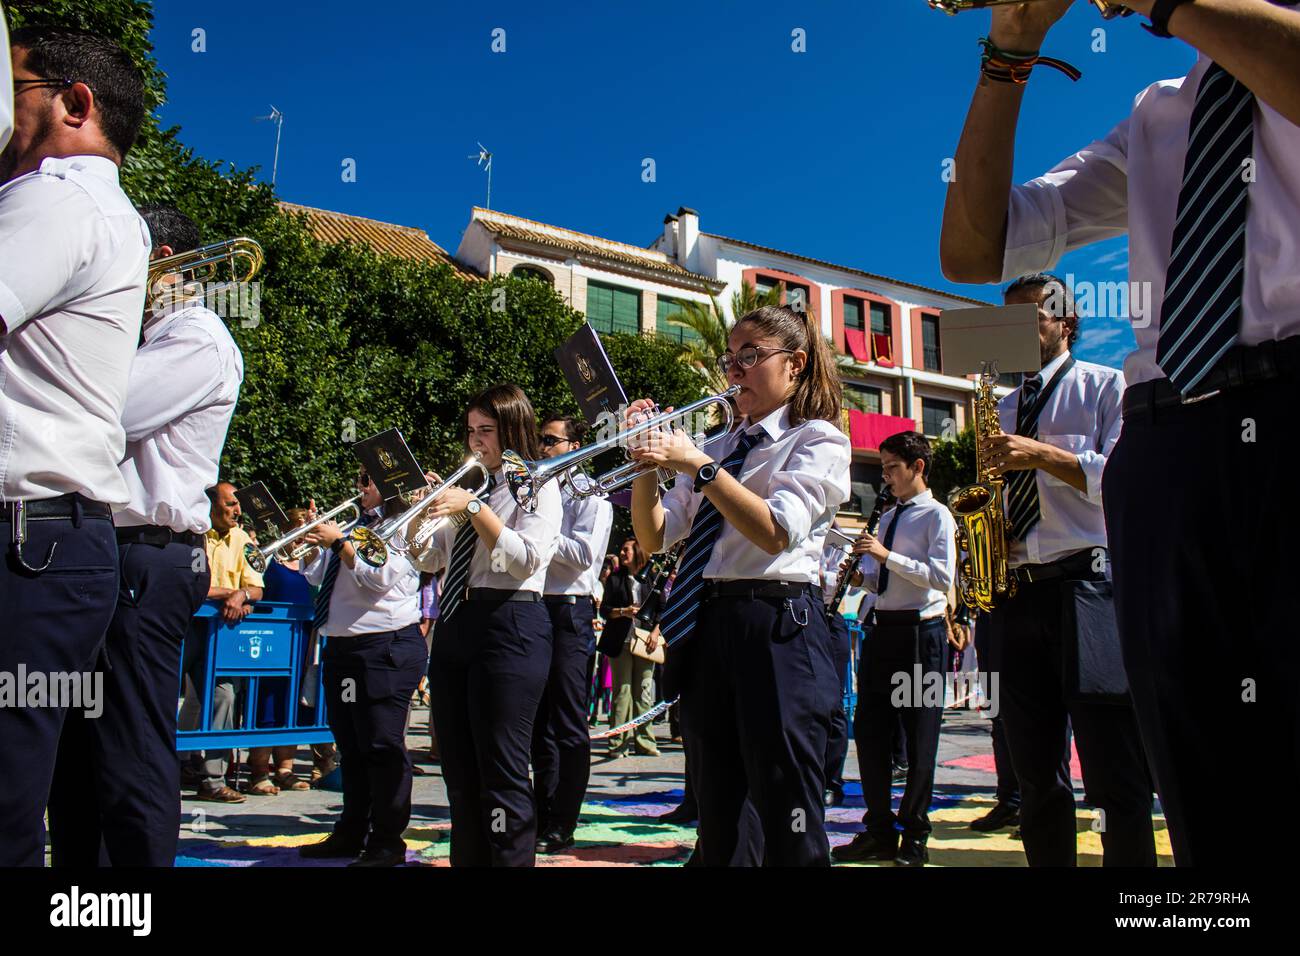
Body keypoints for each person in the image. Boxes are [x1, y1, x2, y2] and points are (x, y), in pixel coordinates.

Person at [938, 0, 1300, 866]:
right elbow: (973, 252)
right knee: (1204, 786)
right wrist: (1011, 46)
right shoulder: (1156, 114)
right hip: (1173, 446)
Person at [46, 204, 243, 866]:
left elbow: (107, 415)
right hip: (114, 551)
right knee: (79, 751)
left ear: (159, 258)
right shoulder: (151, 338)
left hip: (148, 557)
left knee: (129, 744)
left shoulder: (198, 337)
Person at [628, 303, 850, 867]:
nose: (734, 371)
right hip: (710, 622)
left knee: (786, 803)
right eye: (730, 359)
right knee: (719, 806)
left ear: (794, 364)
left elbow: (776, 530)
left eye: (750, 356)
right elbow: (655, 537)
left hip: (778, 622)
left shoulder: (818, 438)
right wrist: (647, 465)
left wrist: (699, 466)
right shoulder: (719, 445)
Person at [0, 25, 148, 866]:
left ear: (73, 103)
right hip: (59, 540)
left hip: (32, 538)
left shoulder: (57, 196)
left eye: (10, 88)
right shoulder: (89, 209)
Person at [977, 273, 1156, 866]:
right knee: (1035, 774)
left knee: (1113, 770)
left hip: (1088, 586)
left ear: (1065, 324)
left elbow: (1125, 477)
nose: (1018, 333)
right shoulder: (997, 404)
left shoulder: (1107, 386)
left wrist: (1042, 455)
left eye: (1031, 318)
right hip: (1015, 593)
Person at [409, 383, 561, 866]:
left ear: (513, 429)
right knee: (459, 766)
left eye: (487, 431)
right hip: (458, 620)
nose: (476, 442)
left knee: (502, 766)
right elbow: (431, 559)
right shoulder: (472, 486)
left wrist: (474, 510)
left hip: (511, 620)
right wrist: (417, 517)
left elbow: (525, 559)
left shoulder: (538, 483)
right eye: (471, 431)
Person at [832, 432, 956, 867]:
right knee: (869, 734)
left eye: (891, 468)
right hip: (881, 631)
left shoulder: (937, 516)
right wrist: (858, 574)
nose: (884, 477)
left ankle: (916, 834)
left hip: (921, 637)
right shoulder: (886, 516)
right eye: (882, 468)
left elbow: (941, 578)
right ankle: (879, 829)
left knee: (920, 737)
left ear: (917, 467)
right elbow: (877, 578)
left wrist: (886, 556)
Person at [297, 469, 424, 866]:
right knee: (350, 746)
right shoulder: (357, 524)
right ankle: (351, 831)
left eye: (368, 481)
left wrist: (339, 545)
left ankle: (387, 842)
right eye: (358, 480)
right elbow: (315, 575)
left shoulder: (404, 524)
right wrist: (315, 543)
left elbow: (378, 578)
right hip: (344, 645)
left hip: (384, 646)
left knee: (382, 746)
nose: (360, 488)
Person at [533, 413, 612, 854]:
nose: (542, 447)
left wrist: (539, 533)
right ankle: (540, 812)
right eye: (540, 439)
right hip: (533, 608)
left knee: (566, 722)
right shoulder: (537, 491)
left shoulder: (591, 495)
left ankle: (564, 821)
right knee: (536, 723)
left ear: (574, 445)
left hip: (568, 611)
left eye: (550, 440)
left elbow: (582, 556)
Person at [177, 482, 265, 803]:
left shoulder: (242, 539)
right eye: (230, 504)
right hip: (186, 627)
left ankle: (213, 779)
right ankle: (174, 762)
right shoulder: (193, 534)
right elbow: (191, 584)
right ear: (212, 506)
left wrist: (242, 593)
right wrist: (230, 592)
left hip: (221, 634)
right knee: (169, 693)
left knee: (223, 695)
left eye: (238, 505)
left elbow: (256, 587)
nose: (238, 511)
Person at [601, 537, 659, 758]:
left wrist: (655, 632)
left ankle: (645, 741)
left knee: (643, 693)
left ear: (638, 552)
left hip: (646, 643)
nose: (622, 553)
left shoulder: (651, 578)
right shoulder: (615, 579)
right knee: (622, 693)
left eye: (627, 550)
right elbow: (604, 610)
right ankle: (618, 743)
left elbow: (662, 608)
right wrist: (623, 611)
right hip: (621, 642)